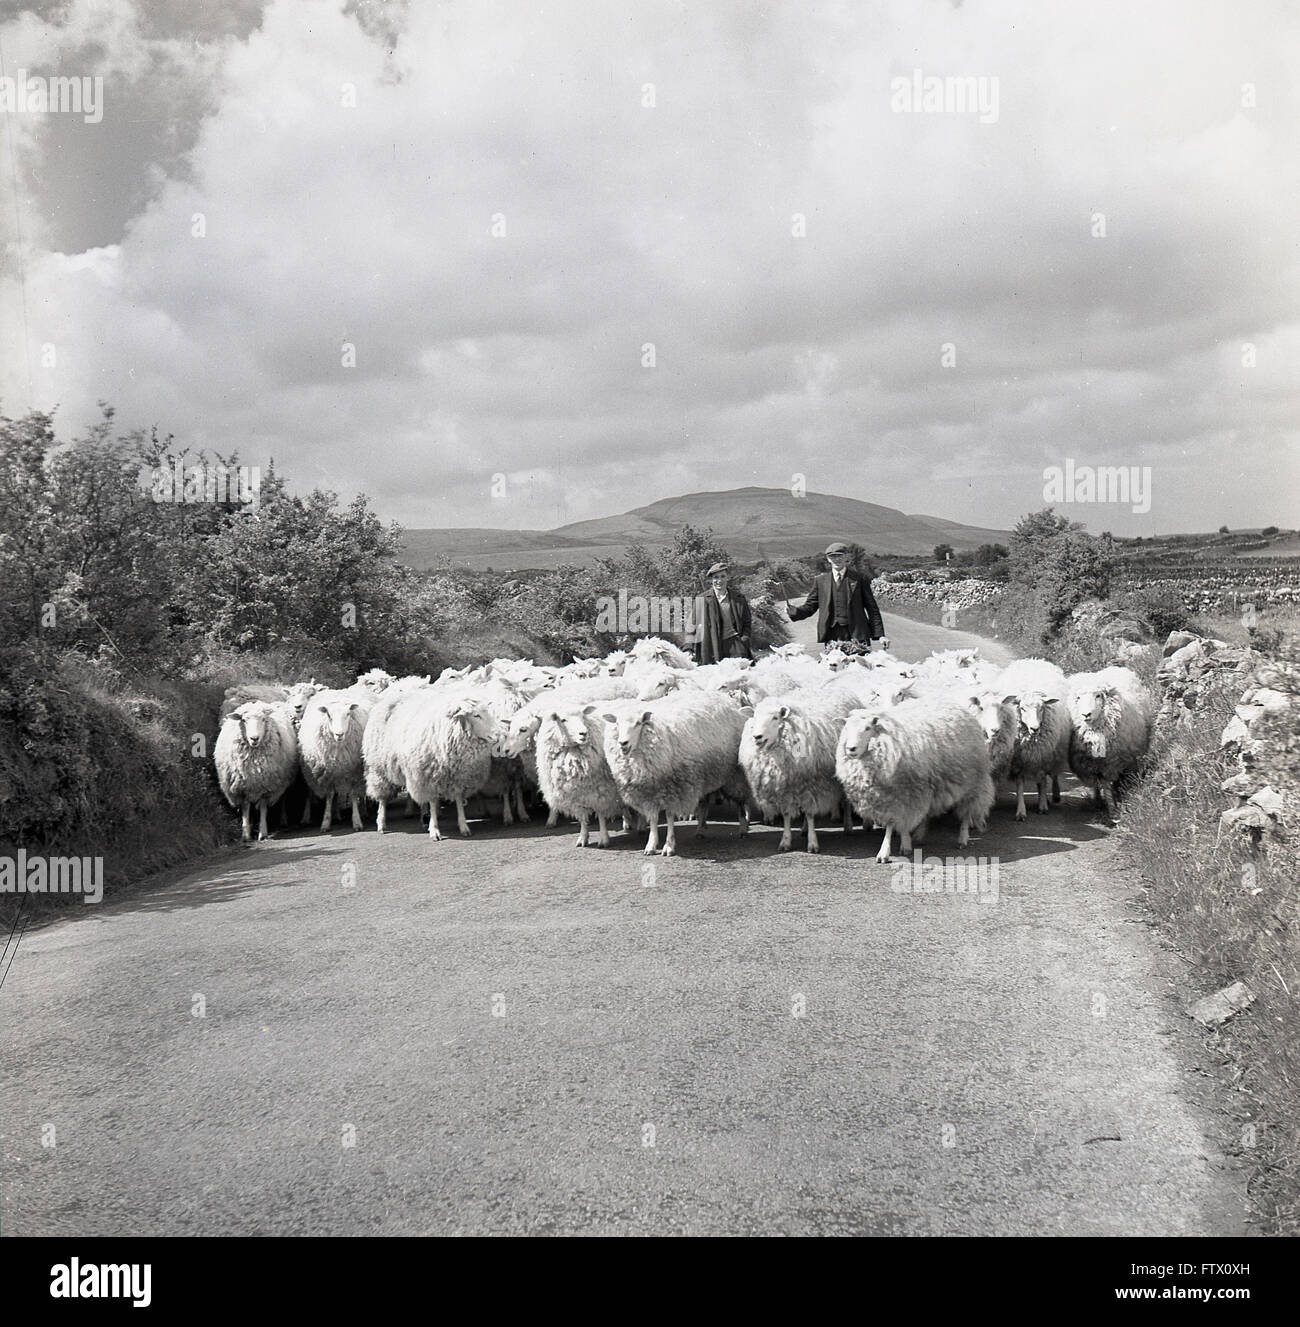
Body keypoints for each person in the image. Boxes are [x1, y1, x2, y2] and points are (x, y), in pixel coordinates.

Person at [785, 542, 888, 647]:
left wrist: (880, 635)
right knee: (834, 663)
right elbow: (810, 606)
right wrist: (796, 611)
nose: (837, 559)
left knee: (858, 663)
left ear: (846, 557)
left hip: (858, 634)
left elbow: (872, 608)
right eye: (833, 557)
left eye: (840, 556)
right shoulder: (820, 581)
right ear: (828, 559)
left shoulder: (860, 579)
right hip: (831, 635)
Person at [693, 562, 754, 664]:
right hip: (712, 646)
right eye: (716, 577)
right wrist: (688, 648)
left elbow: (747, 622)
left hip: (735, 644)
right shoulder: (702, 599)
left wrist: (744, 639)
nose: (719, 580)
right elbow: (692, 625)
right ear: (711, 580)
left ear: (727, 578)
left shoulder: (738, 598)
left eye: (722, 576)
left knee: (742, 675)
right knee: (716, 676)